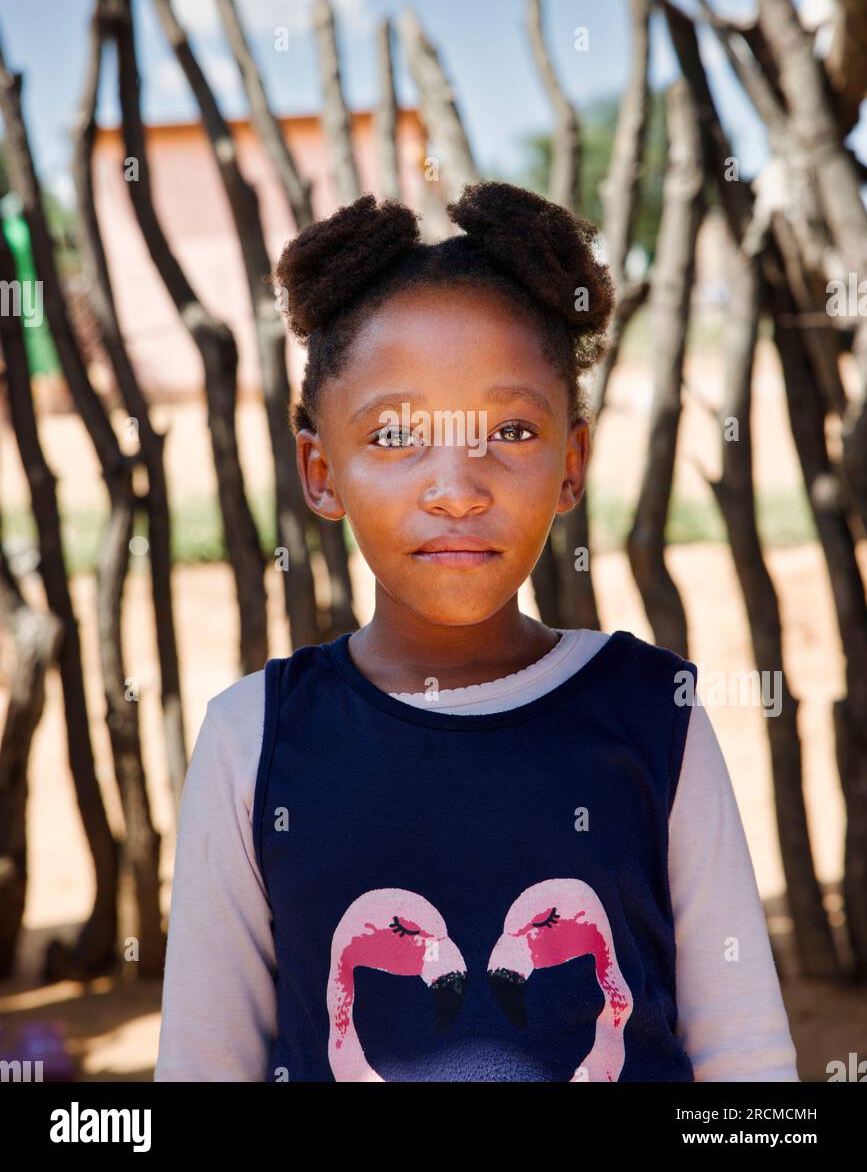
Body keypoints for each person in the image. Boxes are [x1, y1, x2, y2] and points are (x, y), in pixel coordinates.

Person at [154, 181, 800, 1083]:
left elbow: (743, 1054)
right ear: (320, 470)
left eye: (508, 427)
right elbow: (203, 1063)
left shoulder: (657, 716)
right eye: (392, 435)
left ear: (570, 464)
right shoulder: (251, 739)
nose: (457, 487)